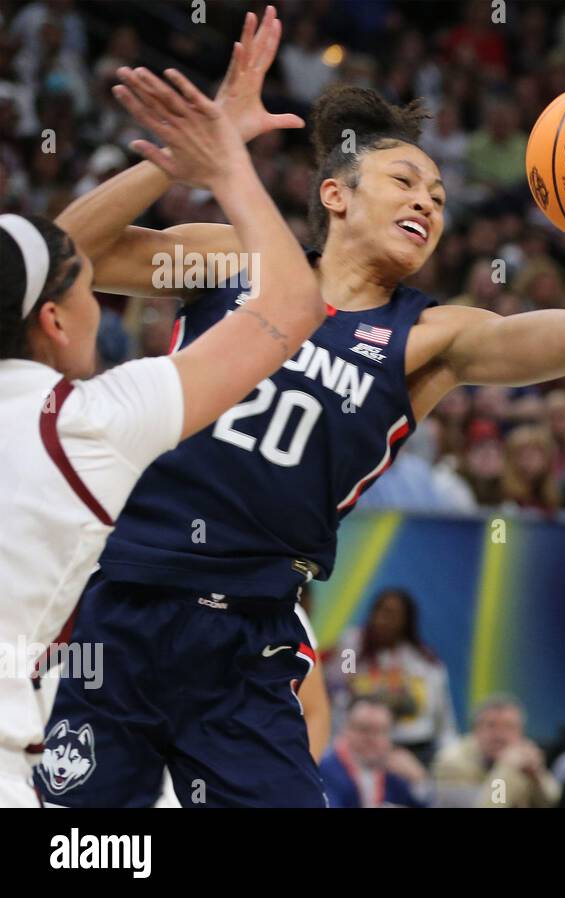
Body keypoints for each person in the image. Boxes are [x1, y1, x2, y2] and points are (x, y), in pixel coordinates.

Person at [41, 8, 565, 807]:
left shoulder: (427, 336)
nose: (428, 204)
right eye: (405, 182)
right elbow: (59, 258)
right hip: (121, 601)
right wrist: (199, 153)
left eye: (438, 197)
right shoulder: (235, 256)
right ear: (335, 194)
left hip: (252, 632)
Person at [3, 53, 327, 805]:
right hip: (131, 609)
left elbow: (53, 253)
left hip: (239, 608)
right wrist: (221, 161)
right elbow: (293, 306)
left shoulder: (423, 329)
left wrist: (195, 157)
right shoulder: (94, 424)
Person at [328, 587, 456, 766]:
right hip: (359, 746)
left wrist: (447, 751)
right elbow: (339, 692)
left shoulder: (424, 662)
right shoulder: (352, 647)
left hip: (413, 746)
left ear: (406, 621)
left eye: (392, 614)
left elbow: (442, 715)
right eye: (379, 611)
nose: (383, 620)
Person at [433, 694, 557, 809]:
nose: (500, 735)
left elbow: (553, 802)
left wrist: (536, 776)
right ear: (475, 730)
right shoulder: (451, 763)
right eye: (491, 726)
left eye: (509, 727)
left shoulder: (524, 755)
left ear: (521, 733)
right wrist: (506, 768)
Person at [318, 698, 427, 808]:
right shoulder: (325, 769)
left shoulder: (396, 772)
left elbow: (424, 803)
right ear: (346, 730)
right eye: (364, 729)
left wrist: (419, 781)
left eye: (380, 731)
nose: (372, 739)